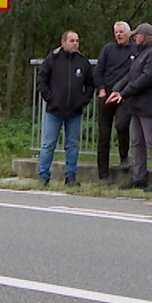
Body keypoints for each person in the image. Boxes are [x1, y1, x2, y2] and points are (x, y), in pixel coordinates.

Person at [109, 23, 152, 192]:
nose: (135, 38)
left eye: (137, 35)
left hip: (149, 105)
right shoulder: (141, 53)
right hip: (137, 104)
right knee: (138, 142)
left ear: (144, 36)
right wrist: (118, 88)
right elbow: (131, 75)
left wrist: (125, 93)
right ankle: (139, 176)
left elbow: (146, 78)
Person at [36, 30, 95, 187]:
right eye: (71, 40)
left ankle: (71, 176)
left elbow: (90, 84)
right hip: (54, 110)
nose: (75, 43)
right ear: (63, 42)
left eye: (77, 40)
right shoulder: (53, 59)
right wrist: (49, 97)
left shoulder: (82, 61)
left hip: (74, 111)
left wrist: (83, 100)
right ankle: (43, 175)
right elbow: (42, 80)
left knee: (72, 144)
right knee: (49, 144)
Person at [92, 21, 136, 181]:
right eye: (116, 32)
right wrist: (101, 90)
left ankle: (124, 156)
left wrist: (123, 93)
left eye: (121, 32)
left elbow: (135, 74)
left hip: (124, 96)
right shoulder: (108, 49)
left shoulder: (135, 50)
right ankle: (102, 174)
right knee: (103, 135)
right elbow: (98, 72)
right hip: (106, 94)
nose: (118, 34)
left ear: (129, 33)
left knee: (122, 124)